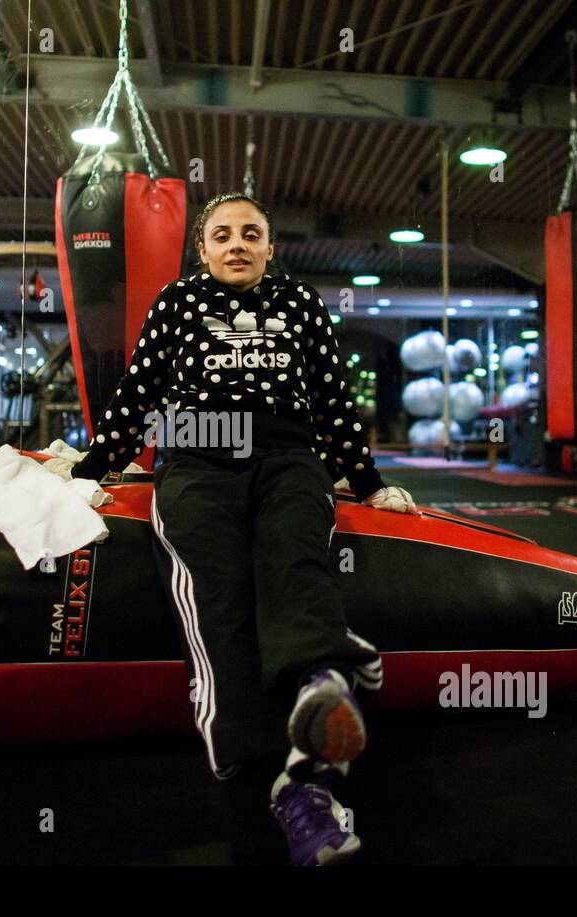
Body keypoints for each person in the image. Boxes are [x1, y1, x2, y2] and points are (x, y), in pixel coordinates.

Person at [44, 192, 415, 865]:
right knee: (214, 594)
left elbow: (333, 400)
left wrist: (370, 484)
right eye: (222, 234)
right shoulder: (178, 304)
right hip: (197, 458)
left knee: (296, 557)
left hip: (286, 457)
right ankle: (272, 771)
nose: (237, 244)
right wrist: (93, 469)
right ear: (202, 248)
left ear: (270, 247)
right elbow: (139, 393)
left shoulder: (299, 304)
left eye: (252, 234)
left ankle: (317, 686)